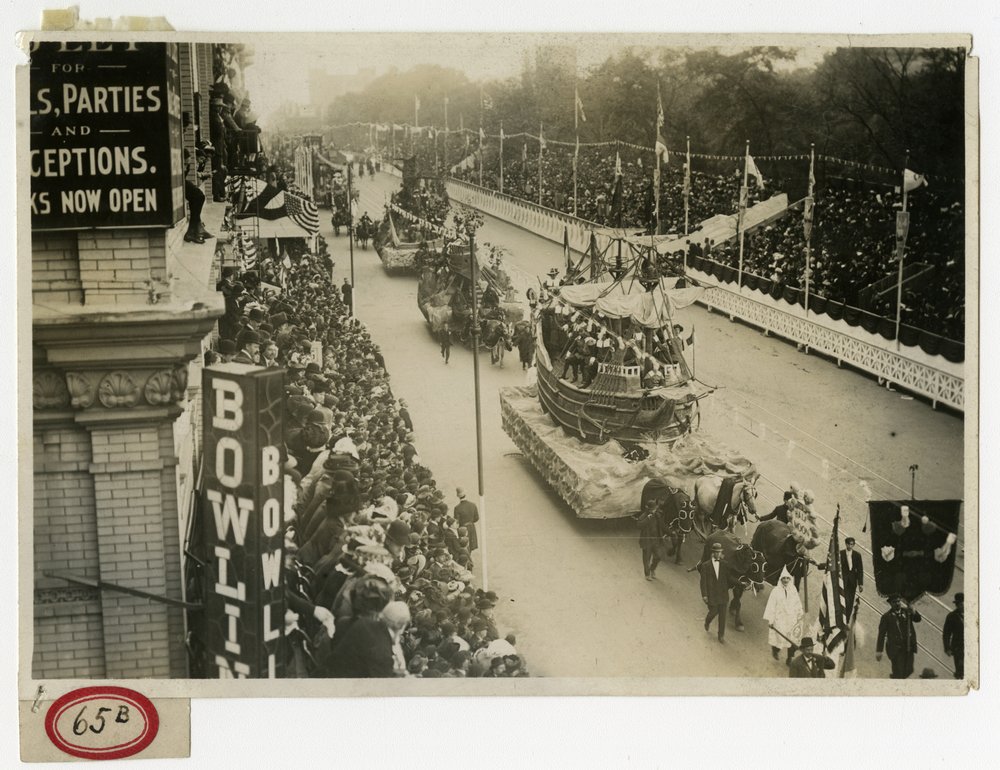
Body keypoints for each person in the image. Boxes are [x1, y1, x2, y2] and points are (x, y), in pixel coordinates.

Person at [762, 566, 804, 664]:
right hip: (780, 618)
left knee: (792, 639)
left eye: (787, 578)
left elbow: (797, 603)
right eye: (783, 578)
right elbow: (771, 606)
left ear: (790, 579)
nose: (785, 580)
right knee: (779, 637)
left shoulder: (793, 590)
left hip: (791, 618)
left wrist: (799, 613)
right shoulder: (776, 591)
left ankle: (789, 658)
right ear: (780, 579)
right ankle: (776, 650)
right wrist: (771, 620)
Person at [876, 595, 922, 679]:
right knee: (899, 672)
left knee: (909, 670)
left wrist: (913, 611)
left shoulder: (907, 611)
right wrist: (879, 651)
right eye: (894, 602)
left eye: (898, 601)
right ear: (890, 604)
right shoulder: (886, 617)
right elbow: (881, 634)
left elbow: (918, 619)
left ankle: (895, 678)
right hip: (896, 650)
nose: (897, 604)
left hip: (908, 647)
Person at [699, 542, 730, 643]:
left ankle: (721, 635)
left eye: (719, 552)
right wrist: (704, 595)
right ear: (713, 553)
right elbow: (703, 582)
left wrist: (741, 583)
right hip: (712, 595)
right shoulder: (705, 566)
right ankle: (707, 621)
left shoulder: (725, 564)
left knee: (722, 615)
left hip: (723, 594)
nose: (718, 554)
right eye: (716, 552)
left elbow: (730, 578)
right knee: (713, 612)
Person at [635, 498, 663, 581]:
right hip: (646, 541)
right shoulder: (643, 516)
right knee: (646, 559)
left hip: (655, 540)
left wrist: (670, 532)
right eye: (653, 509)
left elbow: (662, 525)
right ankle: (647, 574)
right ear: (648, 509)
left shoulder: (657, 515)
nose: (654, 511)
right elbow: (639, 526)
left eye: (655, 509)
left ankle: (652, 569)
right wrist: (648, 518)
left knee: (658, 556)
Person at [840, 536, 864, 617]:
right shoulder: (841, 553)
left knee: (850, 601)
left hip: (853, 581)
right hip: (843, 580)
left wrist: (860, 584)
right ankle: (841, 617)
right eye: (849, 544)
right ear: (846, 544)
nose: (850, 546)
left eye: (852, 544)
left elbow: (860, 569)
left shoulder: (857, 555)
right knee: (844, 599)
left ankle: (847, 618)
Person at [942, 592, 964, 679]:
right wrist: (947, 648)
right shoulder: (951, 616)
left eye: (962, 603)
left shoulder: (974, 614)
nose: (960, 606)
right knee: (960, 670)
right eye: (958, 604)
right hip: (958, 649)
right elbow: (946, 633)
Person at [454, 488, 479, 553]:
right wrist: (470, 521)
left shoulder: (457, 508)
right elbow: (476, 518)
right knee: (470, 544)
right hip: (471, 527)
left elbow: (456, 521)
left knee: (464, 545)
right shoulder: (473, 505)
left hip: (463, 528)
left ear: (458, 496)